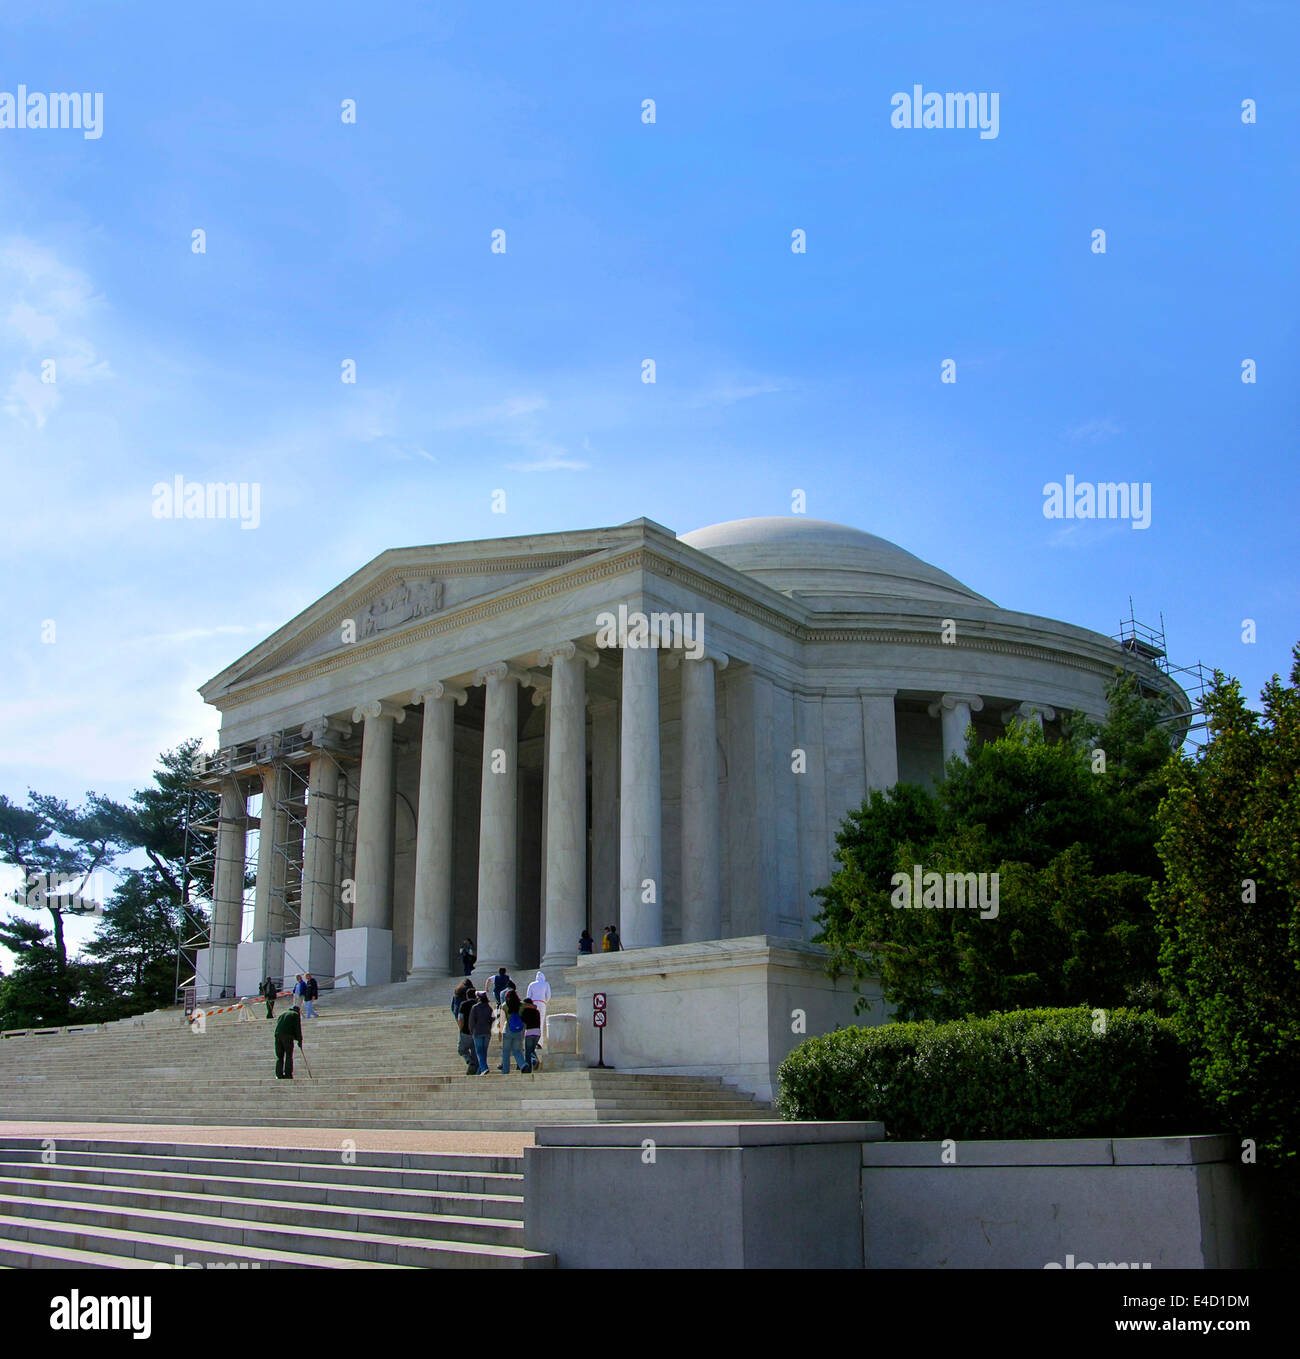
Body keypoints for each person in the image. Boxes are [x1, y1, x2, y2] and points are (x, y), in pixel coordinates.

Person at [498, 987, 528, 1073]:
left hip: (508, 1029)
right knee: (517, 1050)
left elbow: (502, 1021)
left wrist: (499, 1033)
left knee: (506, 1052)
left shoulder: (504, 1005)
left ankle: (505, 1071)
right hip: (518, 1030)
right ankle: (523, 1065)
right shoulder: (521, 1005)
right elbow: (533, 1006)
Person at [468, 989, 495, 1075]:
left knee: (479, 1052)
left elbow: (471, 1021)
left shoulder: (475, 1008)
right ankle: (480, 1071)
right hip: (487, 1032)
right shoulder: (489, 1008)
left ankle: (484, 1068)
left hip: (478, 1032)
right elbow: (492, 1019)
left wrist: (471, 1031)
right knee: (484, 1052)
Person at [274, 1004, 304, 1079]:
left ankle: (279, 1074)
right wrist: (300, 1040)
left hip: (277, 1036)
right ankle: (288, 1074)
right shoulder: (295, 1014)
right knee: (288, 1055)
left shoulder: (282, 1014)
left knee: (279, 1056)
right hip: (287, 1036)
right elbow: (298, 1028)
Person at [456, 986, 479, 1074]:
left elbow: (460, 1018)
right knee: (474, 1051)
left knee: (461, 1050)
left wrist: (461, 1029)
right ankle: (475, 1069)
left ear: (467, 996)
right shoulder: (478, 1003)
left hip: (466, 1031)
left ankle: (470, 1061)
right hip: (477, 1032)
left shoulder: (464, 1004)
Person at [525, 970, 551, 1048]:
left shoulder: (531, 984)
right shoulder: (546, 984)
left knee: (532, 1023)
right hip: (542, 1004)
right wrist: (544, 1002)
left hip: (533, 1005)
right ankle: (539, 1043)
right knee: (541, 1023)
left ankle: (531, 1042)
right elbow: (548, 995)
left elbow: (528, 996)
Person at [521, 995, 543, 1073]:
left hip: (529, 1032)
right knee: (532, 1050)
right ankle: (534, 1060)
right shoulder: (537, 1011)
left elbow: (523, 1023)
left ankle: (529, 1068)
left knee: (528, 1052)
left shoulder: (525, 1012)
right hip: (538, 1032)